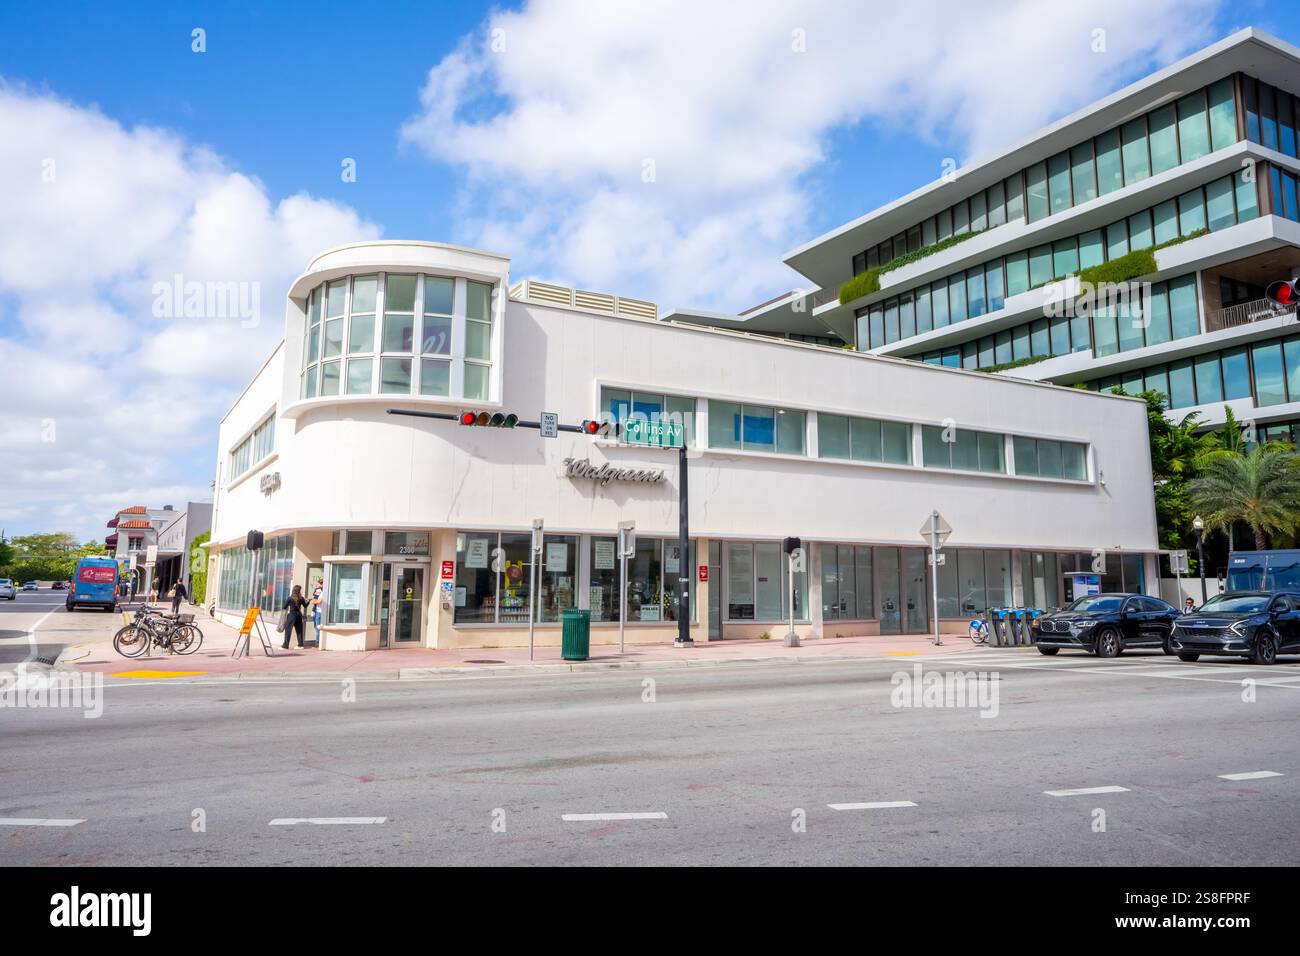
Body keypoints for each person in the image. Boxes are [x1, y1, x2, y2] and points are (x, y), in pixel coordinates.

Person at [282, 585, 309, 650]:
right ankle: (300, 645)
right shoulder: (301, 598)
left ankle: (285, 645)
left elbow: (284, 607)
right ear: (299, 591)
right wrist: (308, 601)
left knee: (288, 630)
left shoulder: (290, 598)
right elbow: (305, 606)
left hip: (292, 615)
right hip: (299, 616)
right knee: (299, 630)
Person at [309, 578, 325, 647]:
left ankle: (318, 642)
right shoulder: (318, 591)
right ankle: (318, 642)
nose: (317, 585)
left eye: (319, 583)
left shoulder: (323, 592)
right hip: (317, 611)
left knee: (317, 627)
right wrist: (312, 600)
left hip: (320, 612)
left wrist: (312, 601)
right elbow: (314, 599)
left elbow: (317, 601)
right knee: (317, 627)